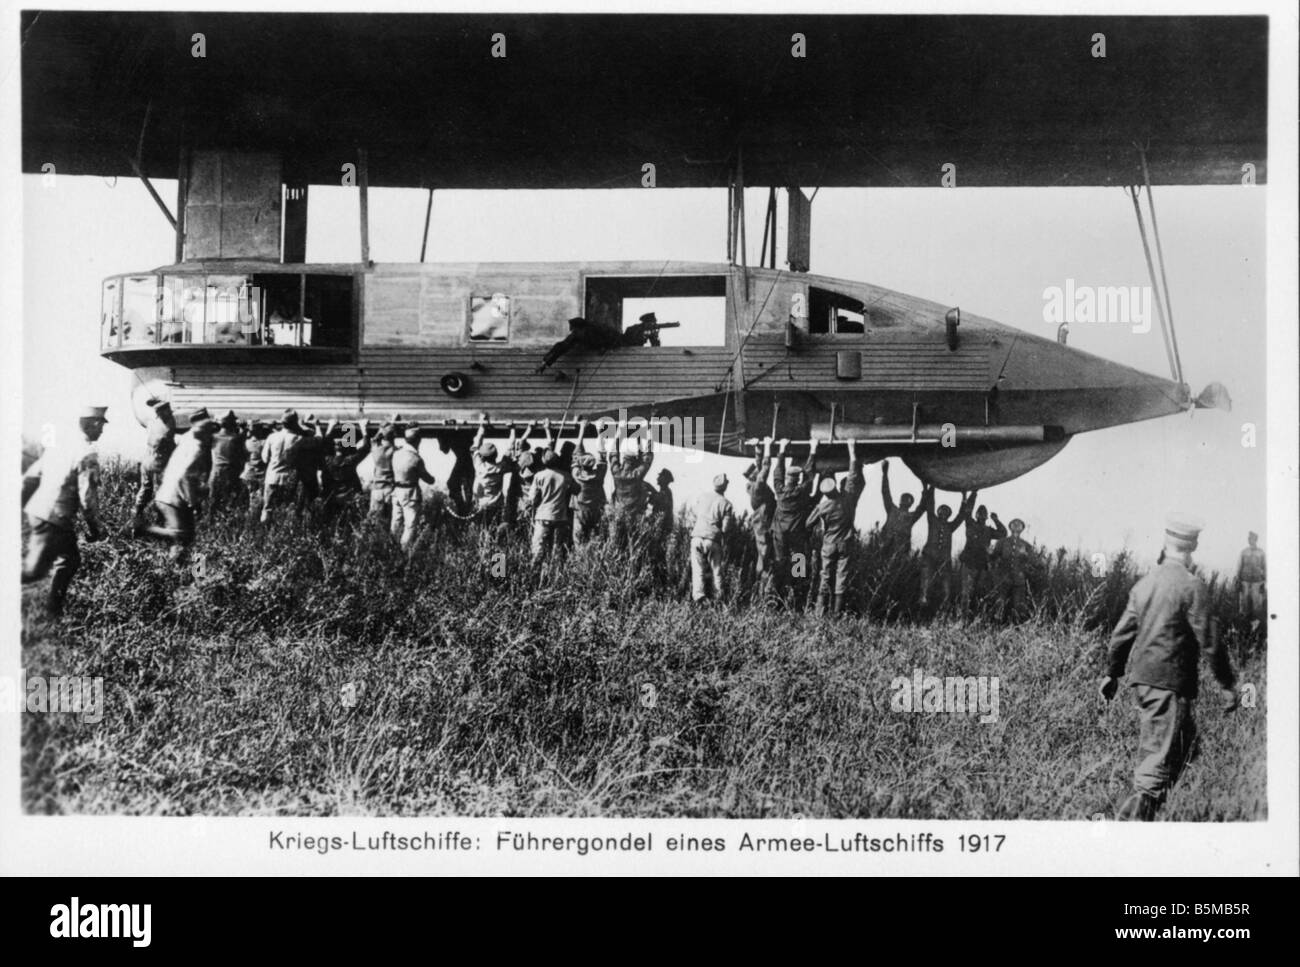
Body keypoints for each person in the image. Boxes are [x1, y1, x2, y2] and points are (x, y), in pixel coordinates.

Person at [1100, 514, 1238, 821]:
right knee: (1156, 768)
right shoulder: (1193, 586)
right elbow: (1211, 640)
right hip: (1169, 683)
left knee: (1185, 744)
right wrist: (1228, 684)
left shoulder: (1144, 584)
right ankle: (1124, 829)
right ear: (1194, 546)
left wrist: (1112, 673)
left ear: (1165, 542)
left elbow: (1121, 634)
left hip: (1143, 681)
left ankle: (1146, 809)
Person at [22, 406, 109, 616]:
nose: (102, 430)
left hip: (39, 511)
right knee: (34, 571)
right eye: (101, 425)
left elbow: (33, 474)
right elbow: (88, 498)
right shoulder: (87, 453)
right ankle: (52, 613)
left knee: (69, 559)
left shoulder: (62, 444)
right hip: (54, 517)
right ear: (89, 424)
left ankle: (54, 610)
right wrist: (96, 528)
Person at [138, 418, 220, 561]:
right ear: (205, 435)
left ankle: (183, 571)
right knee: (182, 535)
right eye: (211, 434)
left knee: (188, 539)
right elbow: (185, 476)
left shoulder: (188, 442)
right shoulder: (197, 450)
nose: (213, 438)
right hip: (174, 498)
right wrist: (193, 502)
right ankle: (145, 530)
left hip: (170, 495)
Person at [804, 440, 865, 616]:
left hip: (829, 544)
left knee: (825, 576)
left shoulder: (823, 507)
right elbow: (854, 475)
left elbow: (808, 524)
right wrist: (852, 449)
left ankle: (819, 612)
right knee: (842, 577)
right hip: (845, 543)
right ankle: (837, 613)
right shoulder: (848, 499)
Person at [770, 438, 818, 606]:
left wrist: (782, 450)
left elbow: (777, 473)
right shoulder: (801, 492)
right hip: (796, 534)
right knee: (799, 562)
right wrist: (813, 450)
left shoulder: (780, 491)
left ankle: (776, 597)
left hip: (780, 533)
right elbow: (810, 476)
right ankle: (798, 596)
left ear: (787, 479)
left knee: (780, 562)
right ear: (798, 479)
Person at [919, 486, 974, 611]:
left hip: (944, 559)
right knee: (926, 580)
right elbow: (930, 506)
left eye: (946, 512)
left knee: (946, 584)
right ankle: (923, 600)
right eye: (941, 511)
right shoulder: (932, 520)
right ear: (938, 512)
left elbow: (961, 515)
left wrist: (965, 497)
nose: (943, 513)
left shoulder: (951, 526)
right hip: (930, 556)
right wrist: (931, 488)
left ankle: (945, 605)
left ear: (949, 515)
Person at [689, 473, 736, 603]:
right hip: (713, 539)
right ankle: (718, 599)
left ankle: (699, 598)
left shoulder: (703, 496)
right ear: (725, 487)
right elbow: (726, 528)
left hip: (697, 537)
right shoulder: (727, 504)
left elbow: (694, 514)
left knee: (698, 570)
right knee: (717, 571)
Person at [530, 449, 578, 567]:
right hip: (560, 516)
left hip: (542, 515)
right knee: (557, 547)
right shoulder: (565, 476)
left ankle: (534, 573)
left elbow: (532, 499)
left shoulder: (539, 476)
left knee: (538, 548)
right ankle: (556, 572)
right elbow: (577, 489)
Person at [472, 417, 520, 533]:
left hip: (481, 506)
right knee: (493, 531)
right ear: (496, 455)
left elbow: (476, 445)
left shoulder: (479, 467)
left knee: (481, 531)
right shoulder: (501, 468)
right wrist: (512, 429)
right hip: (496, 507)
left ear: (482, 457)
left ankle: (483, 548)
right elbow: (510, 447)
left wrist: (482, 427)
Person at [391, 428, 436, 551]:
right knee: (410, 525)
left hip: (396, 491)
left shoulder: (396, 453)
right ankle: (404, 551)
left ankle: (391, 547)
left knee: (396, 520)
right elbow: (428, 479)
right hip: (410, 493)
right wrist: (433, 479)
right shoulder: (416, 459)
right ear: (418, 441)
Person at [133, 398, 176, 523]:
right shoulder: (168, 427)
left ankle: (137, 513)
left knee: (145, 488)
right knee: (160, 490)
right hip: (158, 461)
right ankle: (160, 520)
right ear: (163, 413)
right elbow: (170, 444)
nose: (171, 413)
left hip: (147, 459)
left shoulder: (152, 422)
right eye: (168, 411)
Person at [958, 500, 1006, 611]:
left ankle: (975, 617)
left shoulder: (988, 530)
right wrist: (973, 495)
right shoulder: (970, 524)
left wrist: (996, 519)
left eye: (984, 513)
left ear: (986, 516)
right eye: (979, 513)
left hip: (982, 564)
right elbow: (967, 511)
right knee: (966, 592)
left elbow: (1003, 533)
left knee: (979, 592)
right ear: (976, 515)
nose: (982, 515)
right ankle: (963, 618)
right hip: (969, 563)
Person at [536, 315, 622, 374]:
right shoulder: (578, 334)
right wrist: (546, 363)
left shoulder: (595, 329)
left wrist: (604, 346)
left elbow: (612, 336)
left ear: (580, 328)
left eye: (573, 329)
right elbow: (562, 347)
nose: (572, 331)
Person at [608, 434, 654, 542]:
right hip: (634, 516)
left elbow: (613, 455)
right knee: (632, 542)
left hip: (619, 514)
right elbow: (647, 459)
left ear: (623, 462)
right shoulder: (637, 475)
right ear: (635, 464)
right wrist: (644, 437)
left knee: (618, 542)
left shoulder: (617, 474)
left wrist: (619, 435)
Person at [261, 409, 304, 523]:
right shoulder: (298, 438)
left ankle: (264, 530)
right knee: (287, 507)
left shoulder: (272, 437)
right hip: (288, 478)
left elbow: (265, 458)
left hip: (272, 476)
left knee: (267, 508)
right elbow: (317, 440)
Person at [570, 419, 609, 544]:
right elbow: (602, 455)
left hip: (580, 511)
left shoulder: (577, 474)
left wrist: (582, 429)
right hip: (595, 511)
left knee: (579, 541)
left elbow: (577, 452)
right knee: (596, 539)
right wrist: (601, 430)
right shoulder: (598, 476)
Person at [745, 440, 776, 591]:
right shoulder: (759, 487)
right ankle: (761, 592)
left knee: (763, 557)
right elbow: (765, 468)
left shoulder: (756, 489)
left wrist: (758, 449)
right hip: (768, 527)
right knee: (764, 558)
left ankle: (761, 589)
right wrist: (768, 447)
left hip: (767, 526)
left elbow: (761, 468)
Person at [879, 459, 925, 559]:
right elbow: (885, 492)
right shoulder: (891, 509)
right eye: (903, 498)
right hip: (885, 549)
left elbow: (922, 507)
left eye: (907, 500)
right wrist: (885, 474)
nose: (904, 501)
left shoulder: (911, 516)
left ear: (911, 504)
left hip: (900, 553)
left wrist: (925, 488)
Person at [991, 517, 1035, 620]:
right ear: (1010, 527)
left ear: (1022, 528)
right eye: (1013, 523)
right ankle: (996, 627)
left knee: (1019, 606)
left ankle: (1018, 628)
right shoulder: (1002, 542)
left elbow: (1033, 562)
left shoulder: (1026, 545)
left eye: (1019, 524)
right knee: (999, 603)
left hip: (1018, 580)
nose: (1016, 525)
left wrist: (1026, 556)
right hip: (1003, 579)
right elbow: (993, 557)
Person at [207, 410, 246, 512]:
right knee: (230, 501)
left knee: (214, 500)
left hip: (215, 471)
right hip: (230, 472)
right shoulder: (235, 439)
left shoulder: (213, 437)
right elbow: (242, 456)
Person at [240, 421, 271, 519]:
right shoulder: (263, 442)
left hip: (248, 472)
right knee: (261, 496)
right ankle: (257, 515)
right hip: (261, 473)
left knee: (251, 495)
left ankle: (251, 514)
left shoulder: (246, 442)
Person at [1235, 531, 1266, 628]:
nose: (1249, 540)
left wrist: (1264, 582)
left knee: (1257, 606)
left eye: (1251, 538)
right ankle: (1244, 627)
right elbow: (1239, 567)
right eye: (1249, 538)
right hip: (1245, 582)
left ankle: (1256, 628)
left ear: (1255, 539)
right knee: (1244, 605)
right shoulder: (1244, 552)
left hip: (1257, 582)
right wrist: (1238, 580)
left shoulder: (1261, 553)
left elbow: (1265, 568)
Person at [367, 423, 398, 519]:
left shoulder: (375, 449)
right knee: (389, 518)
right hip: (389, 487)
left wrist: (381, 429)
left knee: (374, 519)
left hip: (377, 488)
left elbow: (373, 439)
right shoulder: (395, 450)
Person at [647, 467, 676, 537]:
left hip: (662, 527)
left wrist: (651, 491)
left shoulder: (666, 492)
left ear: (664, 479)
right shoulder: (665, 492)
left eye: (660, 476)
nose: (658, 478)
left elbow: (658, 502)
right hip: (660, 525)